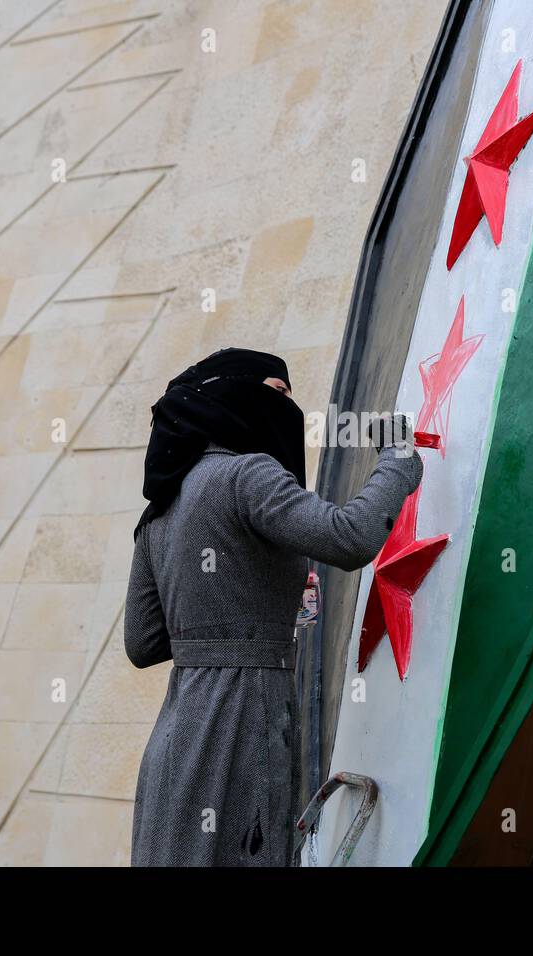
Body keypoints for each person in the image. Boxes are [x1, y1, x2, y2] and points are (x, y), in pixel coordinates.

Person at [125, 347, 423, 866]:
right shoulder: (246, 475)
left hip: (177, 734)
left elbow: (143, 642)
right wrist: (397, 462)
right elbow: (349, 538)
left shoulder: (160, 512)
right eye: (278, 392)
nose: (287, 407)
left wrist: (232, 608)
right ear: (231, 392)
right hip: (241, 719)